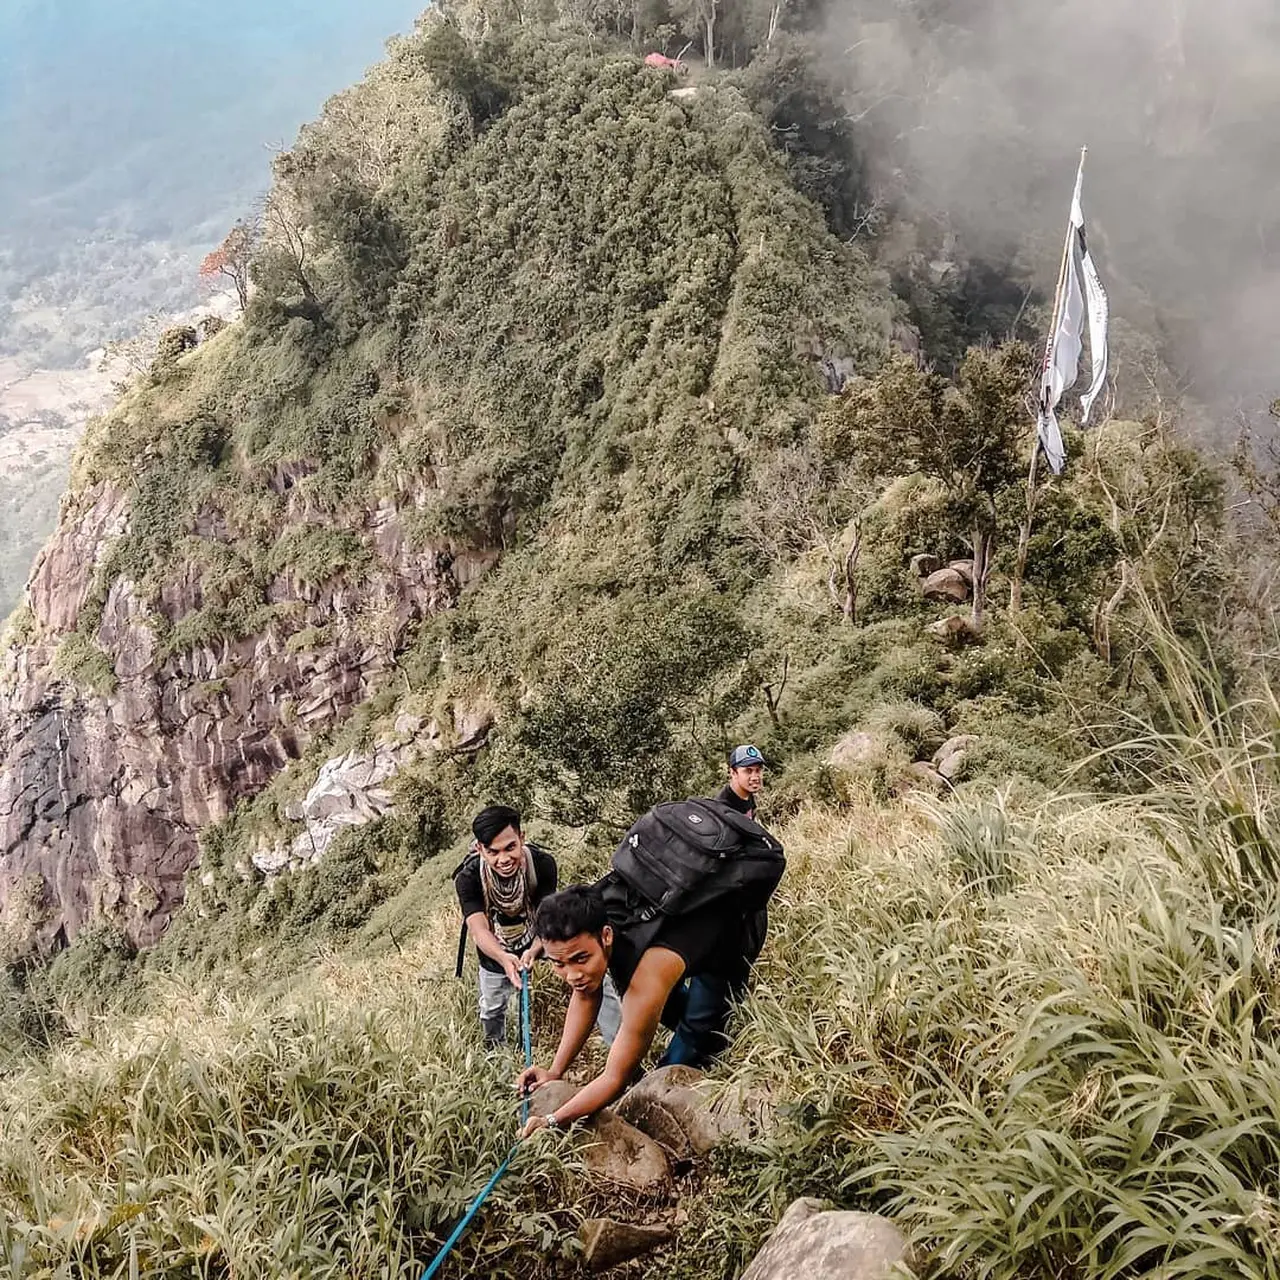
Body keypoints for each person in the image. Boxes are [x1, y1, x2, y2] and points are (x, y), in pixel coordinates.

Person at [516, 844, 783, 1135]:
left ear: (606, 936)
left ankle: (713, 1043)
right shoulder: (589, 916)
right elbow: (585, 994)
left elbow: (616, 1078)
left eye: (581, 959)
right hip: (680, 932)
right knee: (670, 1012)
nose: (572, 975)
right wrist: (555, 1071)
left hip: (733, 930)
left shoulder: (647, 974)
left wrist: (551, 1120)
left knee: (683, 1053)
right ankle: (708, 1030)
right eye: (559, 963)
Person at [453, 805, 557, 1046]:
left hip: (538, 934)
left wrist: (535, 949)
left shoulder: (542, 865)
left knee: (583, 967)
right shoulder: (468, 879)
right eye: (493, 852)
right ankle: (495, 1049)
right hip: (494, 948)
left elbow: (547, 917)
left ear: (522, 838)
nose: (503, 860)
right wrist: (502, 957)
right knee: (492, 1007)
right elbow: (479, 929)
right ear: (480, 849)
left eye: (510, 847)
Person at [717, 743, 765, 820]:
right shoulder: (722, 809)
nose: (755, 777)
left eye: (758, 770)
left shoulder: (748, 794)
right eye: (748, 771)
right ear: (733, 773)